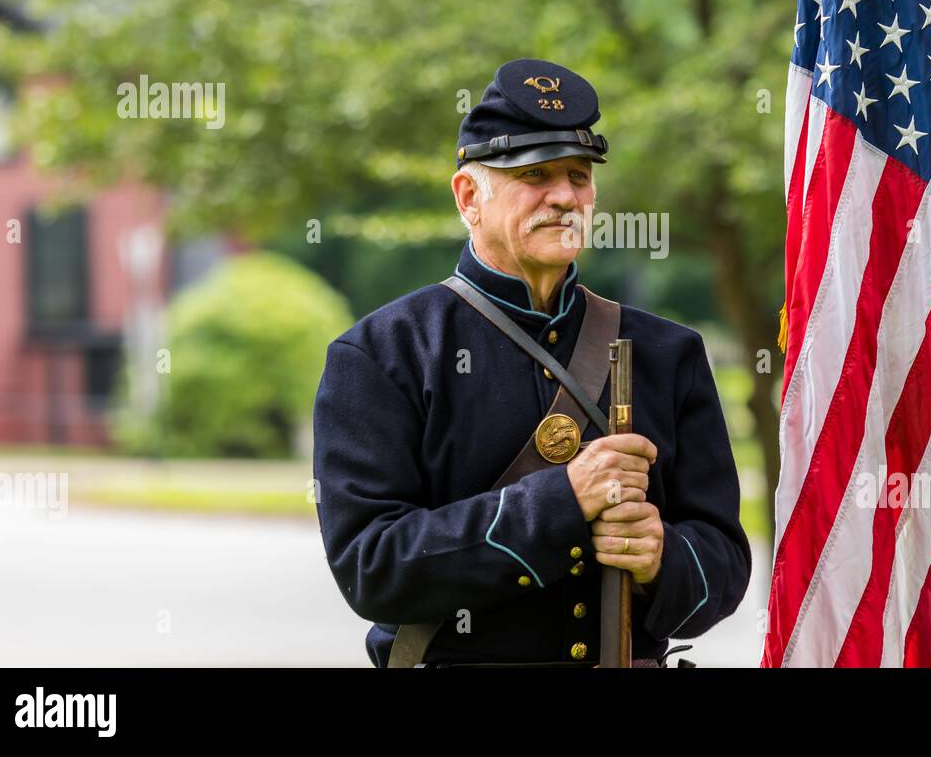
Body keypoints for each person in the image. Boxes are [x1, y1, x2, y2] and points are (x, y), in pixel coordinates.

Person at [312, 57, 751, 666]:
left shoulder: (668, 353)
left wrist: (660, 560)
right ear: (469, 197)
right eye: (535, 174)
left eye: (578, 175)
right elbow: (372, 569)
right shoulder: (383, 354)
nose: (565, 196)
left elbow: (725, 565)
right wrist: (563, 501)